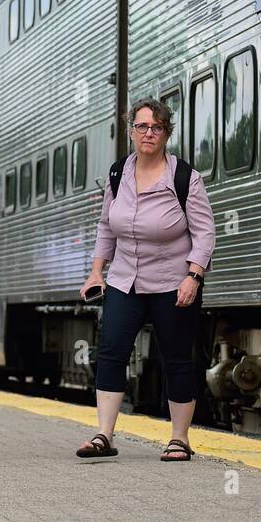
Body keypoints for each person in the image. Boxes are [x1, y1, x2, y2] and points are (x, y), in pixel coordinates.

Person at [76, 98, 215, 462]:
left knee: (177, 358)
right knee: (110, 353)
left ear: (167, 133)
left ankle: (179, 438)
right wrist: (96, 270)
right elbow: (107, 226)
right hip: (125, 280)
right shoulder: (118, 173)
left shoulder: (185, 178)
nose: (148, 133)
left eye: (156, 127)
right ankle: (104, 435)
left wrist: (193, 277)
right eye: (141, 126)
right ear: (131, 131)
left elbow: (204, 234)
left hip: (173, 282)